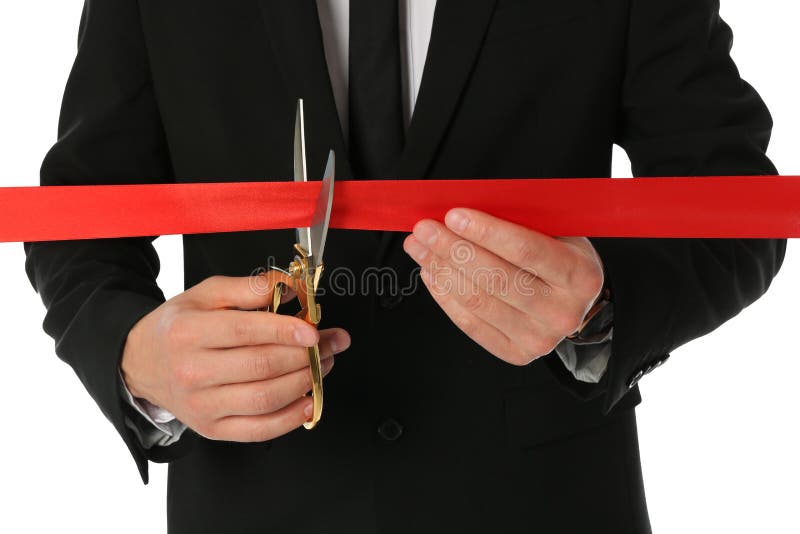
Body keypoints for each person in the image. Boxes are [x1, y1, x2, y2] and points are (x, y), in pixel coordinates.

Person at [24, 1, 786, 532]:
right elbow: (79, 216)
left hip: (543, 507)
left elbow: (735, 201)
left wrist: (603, 308)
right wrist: (136, 359)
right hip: (253, 505)